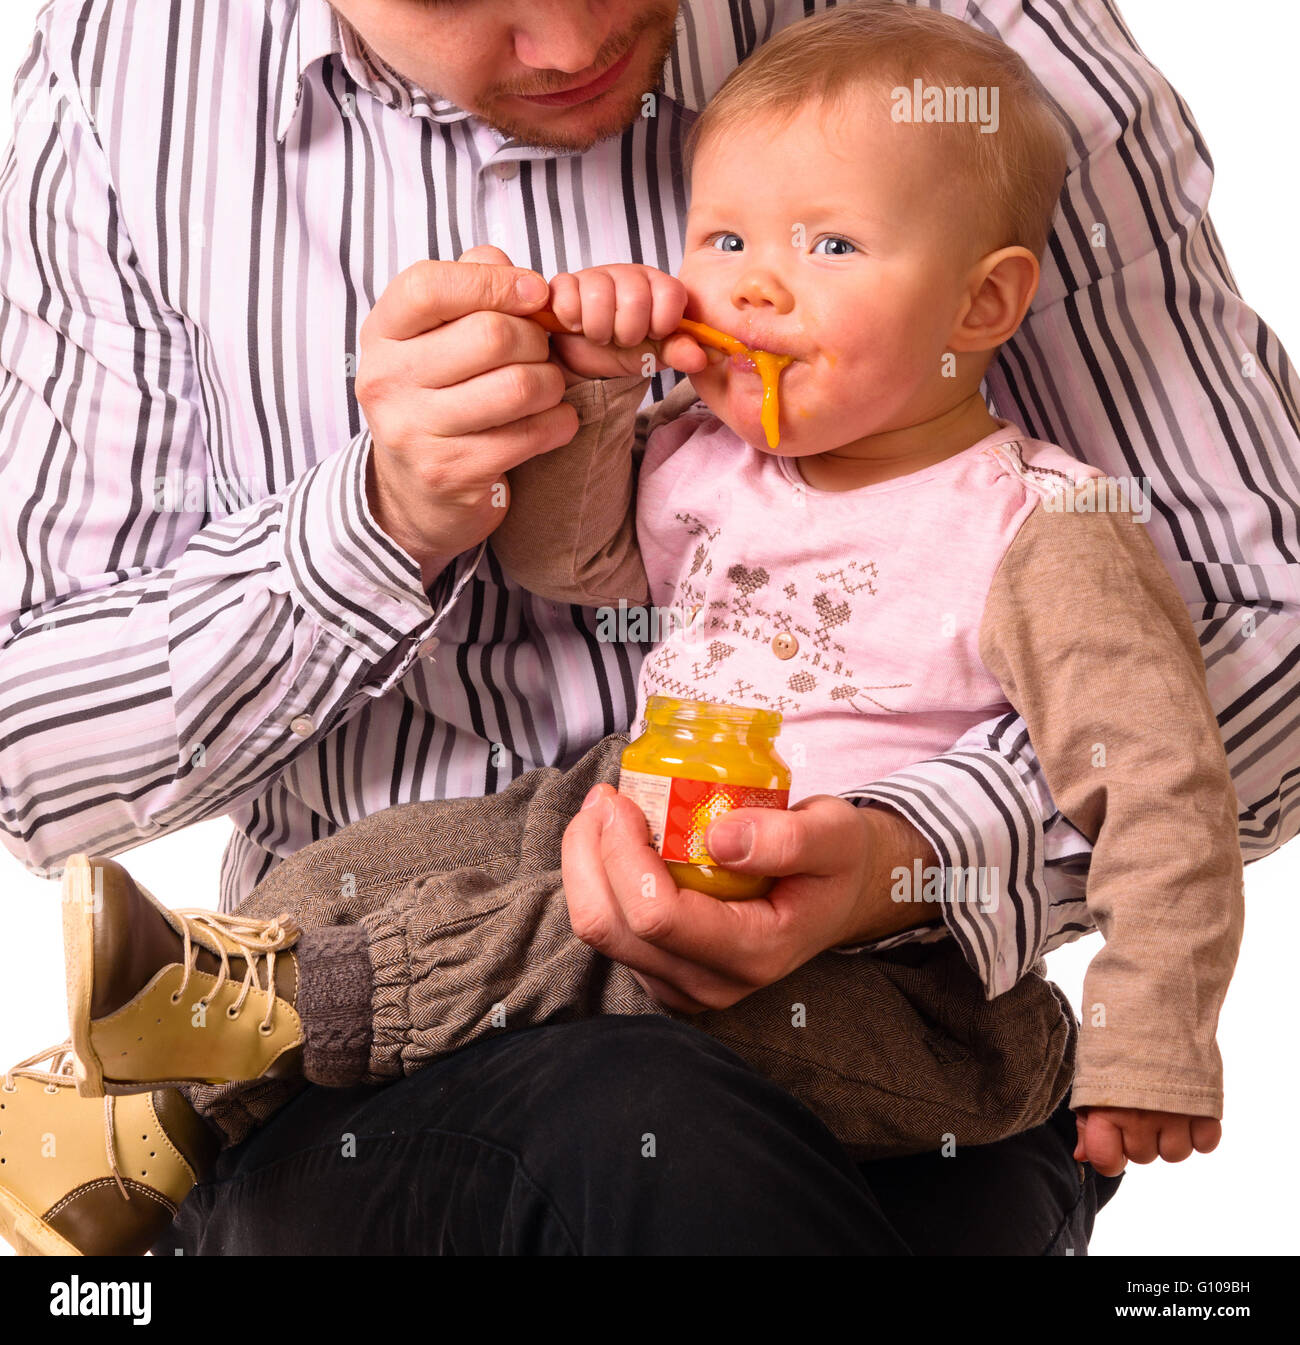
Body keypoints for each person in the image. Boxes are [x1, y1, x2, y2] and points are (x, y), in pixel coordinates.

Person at [0, 0, 1292, 1255]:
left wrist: (1129, 1018)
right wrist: (441, 482)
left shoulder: (1037, 527)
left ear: (983, 304)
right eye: (722, 240)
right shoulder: (719, 463)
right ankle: (210, 1027)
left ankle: (254, 1032)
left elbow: (1168, 781)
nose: (760, 292)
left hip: (886, 995)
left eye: (830, 247)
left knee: (609, 996)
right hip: (604, 839)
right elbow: (574, 560)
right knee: (410, 853)